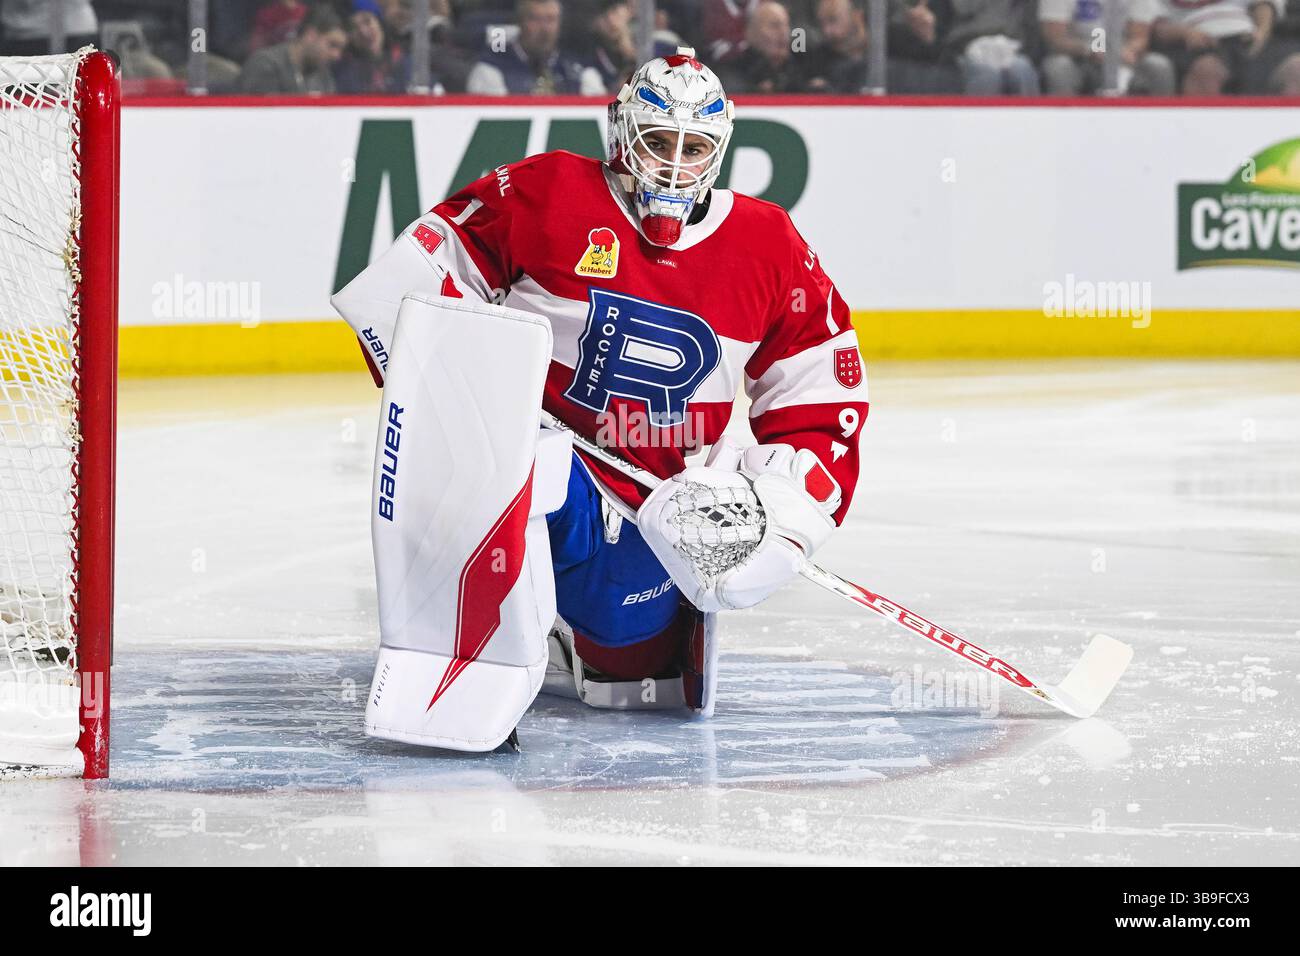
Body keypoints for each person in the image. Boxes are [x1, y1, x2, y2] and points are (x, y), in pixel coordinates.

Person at [331, 47, 867, 751]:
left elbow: (822, 401)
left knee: (627, 676)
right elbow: (414, 282)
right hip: (548, 483)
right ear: (621, 133)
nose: (675, 165)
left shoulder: (769, 246)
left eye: (695, 146)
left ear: (721, 146)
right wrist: (481, 401)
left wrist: (771, 514)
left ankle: (569, 627)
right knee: (519, 468)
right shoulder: (547, 191)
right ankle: (472, 655)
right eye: (658, 142)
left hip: (661, 506)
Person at [465, 0, 607, 95]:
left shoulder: (581, 73)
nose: (544, 29)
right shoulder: (492, 69)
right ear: (520, 22)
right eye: (535, 19)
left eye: (550, 20)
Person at [1038, 0, 1176, 94]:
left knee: (1158, 65)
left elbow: (1139, 37)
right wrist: (1090, 49)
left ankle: (1163, 127)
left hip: (1123, 57)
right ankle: (1062, 126)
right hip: (1078, 58)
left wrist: (1128, 50)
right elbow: (1055, 38)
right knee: (1058, 67)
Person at [1150, 0, 1284, 94]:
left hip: (1246, 34)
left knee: (1296, 70)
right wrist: (1184, 33)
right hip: (1194, 40)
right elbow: (1153, 27)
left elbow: (1264, 4)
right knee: (1208, 69)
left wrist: (1261, 31)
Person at [238, 3, 347, 94]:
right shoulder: (266, 65)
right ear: (311, 35)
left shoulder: (324, 76)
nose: (336, 55)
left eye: (341, 49)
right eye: (332, 45)